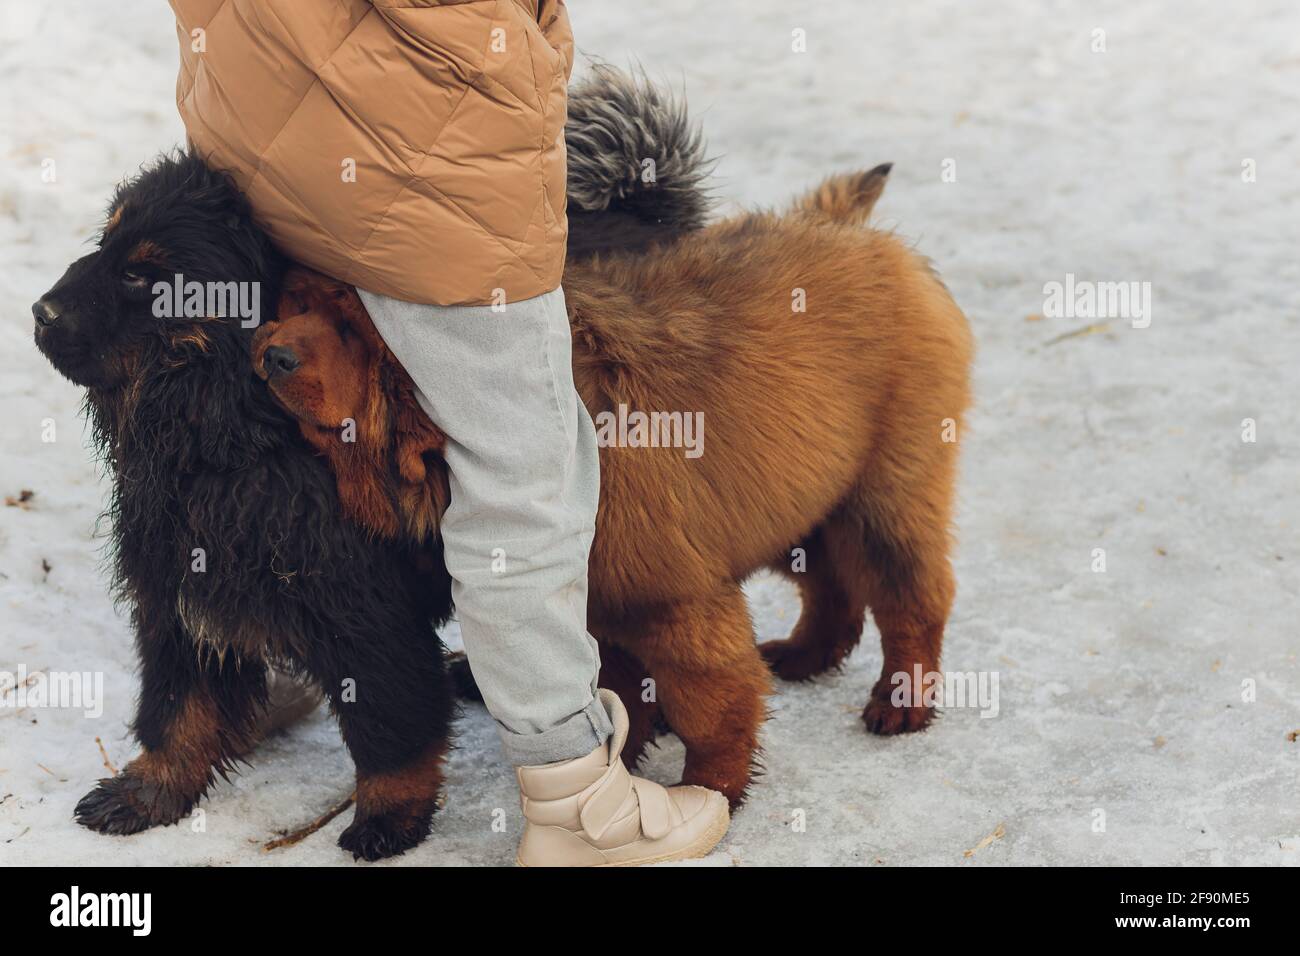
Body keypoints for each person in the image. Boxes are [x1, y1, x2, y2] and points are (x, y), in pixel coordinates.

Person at [166, 0, 730, 866]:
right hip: (427, 155)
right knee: (521, 486)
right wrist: (519, 55)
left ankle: (280, 657)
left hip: (261, 113)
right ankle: (578, 804)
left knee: (302, 430)